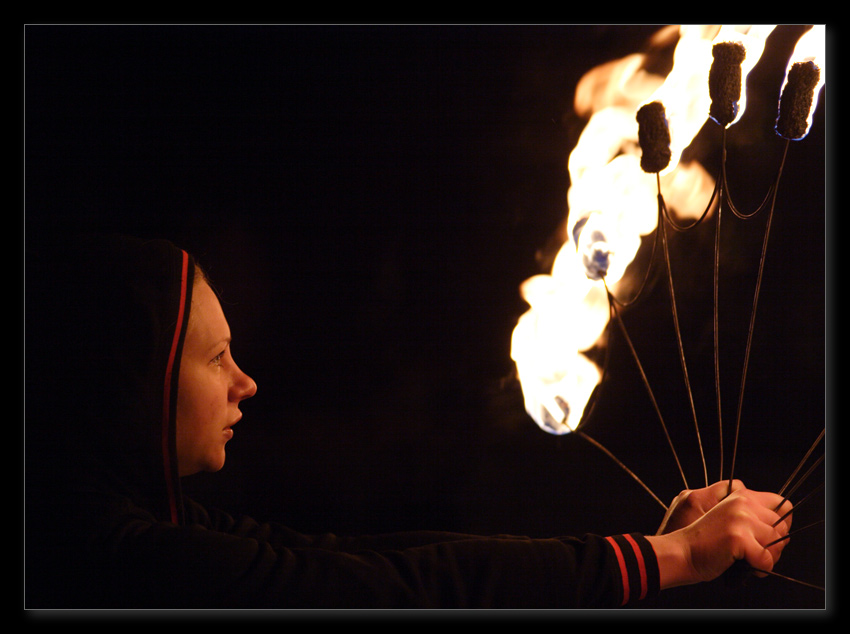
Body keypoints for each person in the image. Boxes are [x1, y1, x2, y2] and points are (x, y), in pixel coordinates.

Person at [24, 234, 792, 609]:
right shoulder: (113, 560)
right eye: (217, 357)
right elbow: (395, 588)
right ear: (134, 381)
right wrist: (671, 559)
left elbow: (384, 554)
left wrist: (654, 549)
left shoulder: (134, 521)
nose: (246, 383)